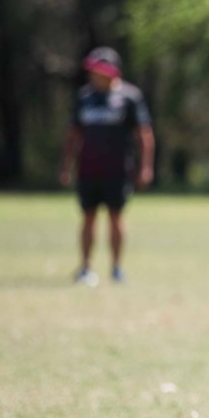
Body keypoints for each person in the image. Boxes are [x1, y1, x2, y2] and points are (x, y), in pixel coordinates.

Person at [58, 46, 155, 286]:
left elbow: (144, 134)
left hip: (117, 170)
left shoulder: (129, 97)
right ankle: (85, 267)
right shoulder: (84, 97)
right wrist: (66, 165)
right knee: (88, 217)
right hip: (88, 169)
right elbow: (73, 135)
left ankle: (116, 268)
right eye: (91, 71)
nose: (93, 76)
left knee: (115, 217)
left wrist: (146, 166)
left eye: (98, 71)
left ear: (112, 72)